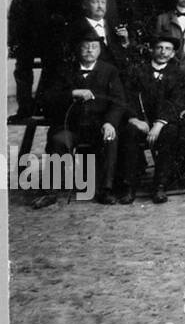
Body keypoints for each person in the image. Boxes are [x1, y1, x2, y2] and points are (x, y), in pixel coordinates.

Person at [33, 29, 127, 208]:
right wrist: (72, 93)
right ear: (77, 49)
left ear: (100, 50)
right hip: (71, 127)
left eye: (94, 47)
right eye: (85, 47)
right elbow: (48, 98)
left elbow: (119, 102)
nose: (90, 50)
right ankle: (50, 192)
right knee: (58, 141)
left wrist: (110, 123)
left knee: (110, 138)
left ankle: (105, 190)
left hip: (98, 126)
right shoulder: (64, 70)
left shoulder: (110, 71)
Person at [121, 32, 185, 203]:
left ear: (173, 53)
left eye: (167, 49)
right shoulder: (138, 71)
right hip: (141, 121)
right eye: (159, 48)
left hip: (165, 122)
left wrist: (159, 124)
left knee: (171, 134)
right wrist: (134, 119)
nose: (163, 52)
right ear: (152, 50)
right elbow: (129, 98)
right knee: (129, 133)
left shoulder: (178, 73)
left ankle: (160, 186)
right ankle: (129, 187)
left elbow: (176, 102)